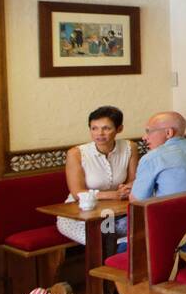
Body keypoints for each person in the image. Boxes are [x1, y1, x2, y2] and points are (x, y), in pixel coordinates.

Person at [57, 105, 138, 245]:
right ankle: (104, 265)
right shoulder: (76, 153)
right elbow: (77, 193)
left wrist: (127, 188)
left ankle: (116, 264)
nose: (99, 133)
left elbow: (133, 180)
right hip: (80, 214)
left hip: (112, 212)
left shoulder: (129, 147)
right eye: (94, 128)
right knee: (105, 242)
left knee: (136, 235)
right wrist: (114, 195)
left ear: (119, 129)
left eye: (106, 128)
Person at [130, 112, 186, 201]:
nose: (144, 137)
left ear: (168, 132)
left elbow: (136, 201)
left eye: (148, 131)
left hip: (173, 214)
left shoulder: (152, 158)